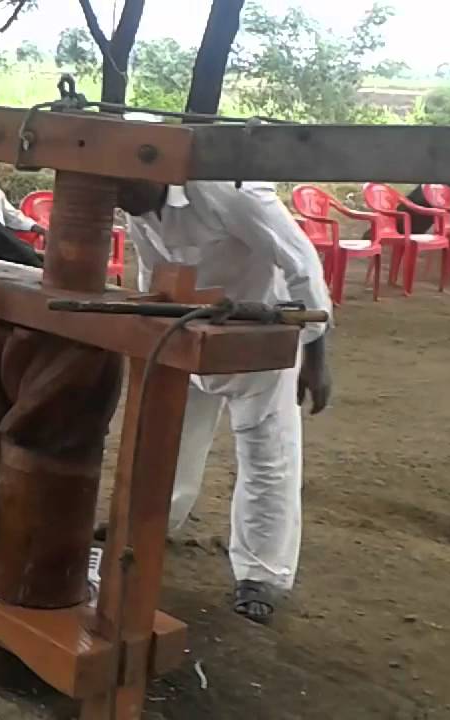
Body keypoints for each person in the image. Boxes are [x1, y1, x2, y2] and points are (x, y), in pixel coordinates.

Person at [116, 179, 334, 625]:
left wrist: (314, 350)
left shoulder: (231, 192)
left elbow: (301, 263)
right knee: (168, 437)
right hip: (189, 330)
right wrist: (152, 331)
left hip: (258, 338)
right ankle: (156, 523)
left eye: (122, 186)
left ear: (157, 167)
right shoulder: (133, 201)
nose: (119, 199)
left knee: (265, 453)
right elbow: (153, 269)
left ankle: (260, 574)